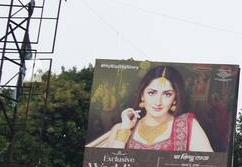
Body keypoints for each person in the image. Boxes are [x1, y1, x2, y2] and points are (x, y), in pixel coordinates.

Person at [86, 64, 214, 152]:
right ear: (142, 95)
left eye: (167, 94)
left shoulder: (188, 126)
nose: (158, 102)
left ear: (175, 98)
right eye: (152, 93)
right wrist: (124, 130)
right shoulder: (121, 129)